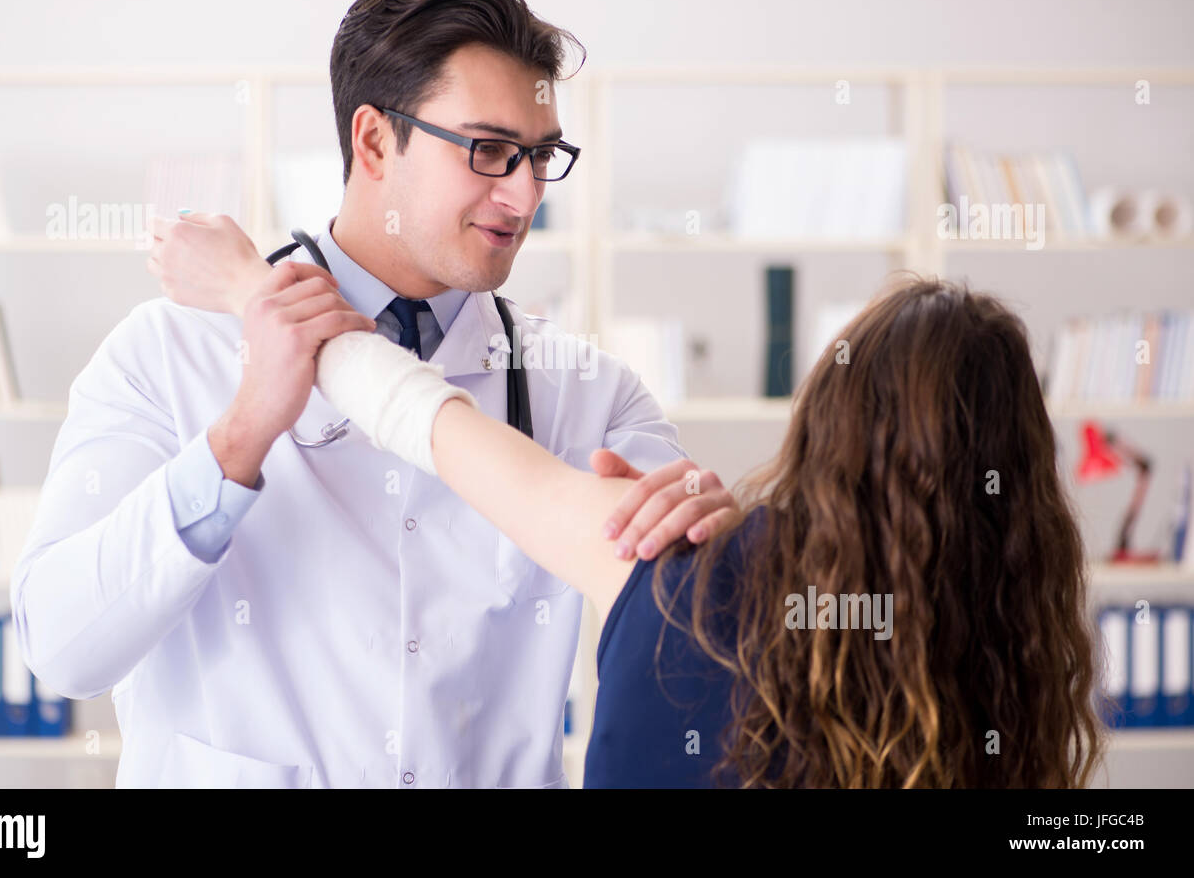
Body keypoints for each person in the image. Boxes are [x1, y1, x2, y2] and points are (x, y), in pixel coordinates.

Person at [12, 0, 738, 789]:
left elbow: (700, 625)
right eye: (490, 150)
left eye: (541, 156)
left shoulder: (589, 391)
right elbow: (63, 647)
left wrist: (713, 546)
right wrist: (238, 436)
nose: (526, 193)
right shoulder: (169, 353)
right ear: (372, 140)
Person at [157, 258, 1106, 787]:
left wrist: (252, 284)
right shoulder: (1006, 661)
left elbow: (416, 413)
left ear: (827, 416)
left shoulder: (682, 571)